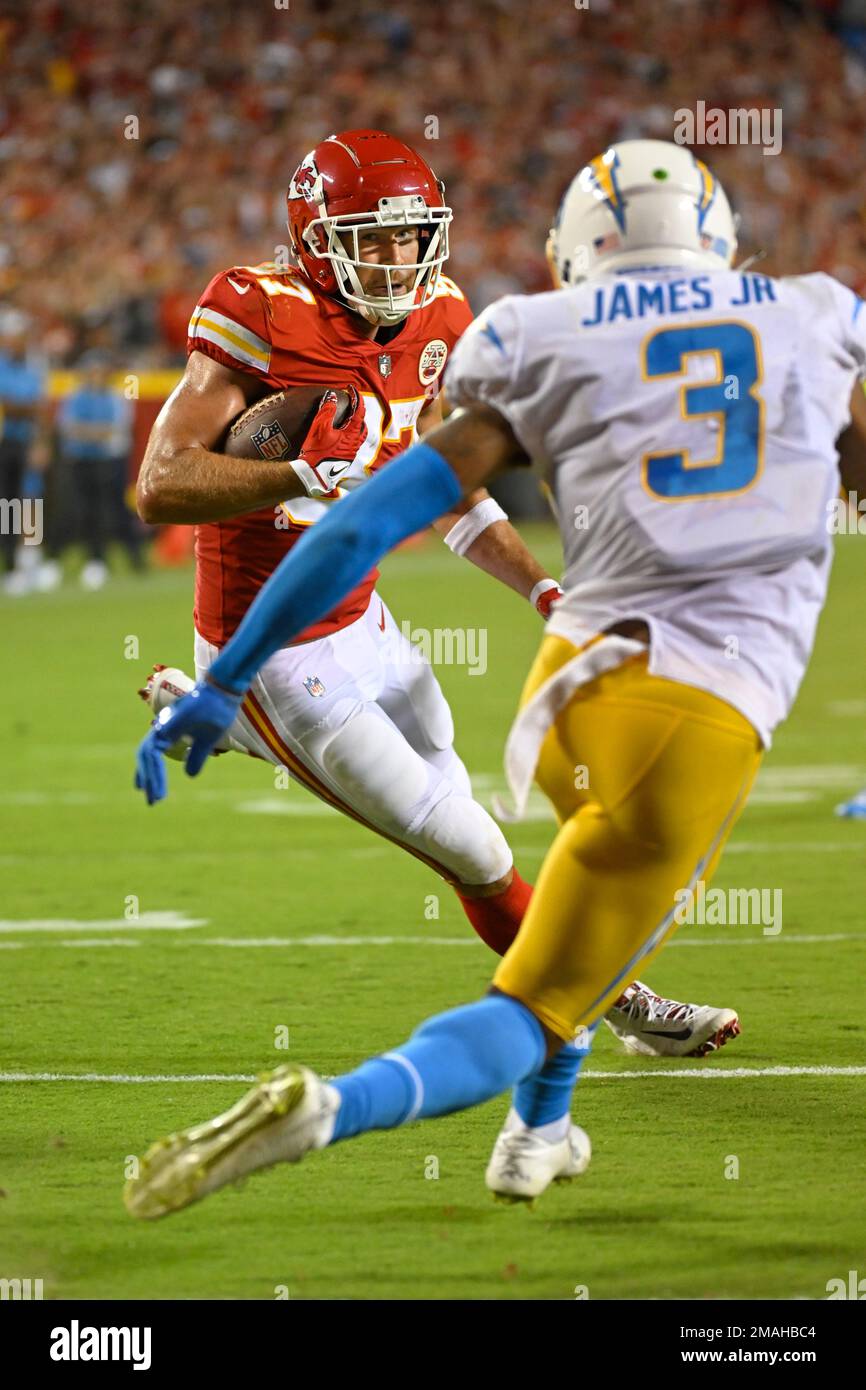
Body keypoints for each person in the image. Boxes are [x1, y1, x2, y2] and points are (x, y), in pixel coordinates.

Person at [126, 136, 831, 1220]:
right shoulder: (258, 312)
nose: (401, 254)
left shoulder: (451, 321)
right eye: (375, 236)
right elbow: (160, 485)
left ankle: (546, 1105)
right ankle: (611, 999)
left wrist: (541, 593)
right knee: (479, 846)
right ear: (317, 239)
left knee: (474, 832)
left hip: (370, 624)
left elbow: (441, 496)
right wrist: (290, 479)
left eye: (413, 232)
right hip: (280, 649)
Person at [41, 351, 139, 591]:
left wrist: (88, 432)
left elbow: (116, 430)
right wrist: (96, 432)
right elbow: (68, 429)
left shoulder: (115, 398)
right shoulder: (75, 397)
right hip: (78, 462)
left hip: (104, 463)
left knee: (102, 512)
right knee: (71, 511)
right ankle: (53, 561)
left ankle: (98, 561)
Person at [0, 309, 47, 594]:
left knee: (31, 500)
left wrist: (41, 442)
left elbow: (39, 409)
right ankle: (11, 564)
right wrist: (25, 407)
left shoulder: (33, 366)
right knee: (7, 503)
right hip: (6, 443)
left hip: (26, 441)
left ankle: (32, 560)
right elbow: (10, 406)